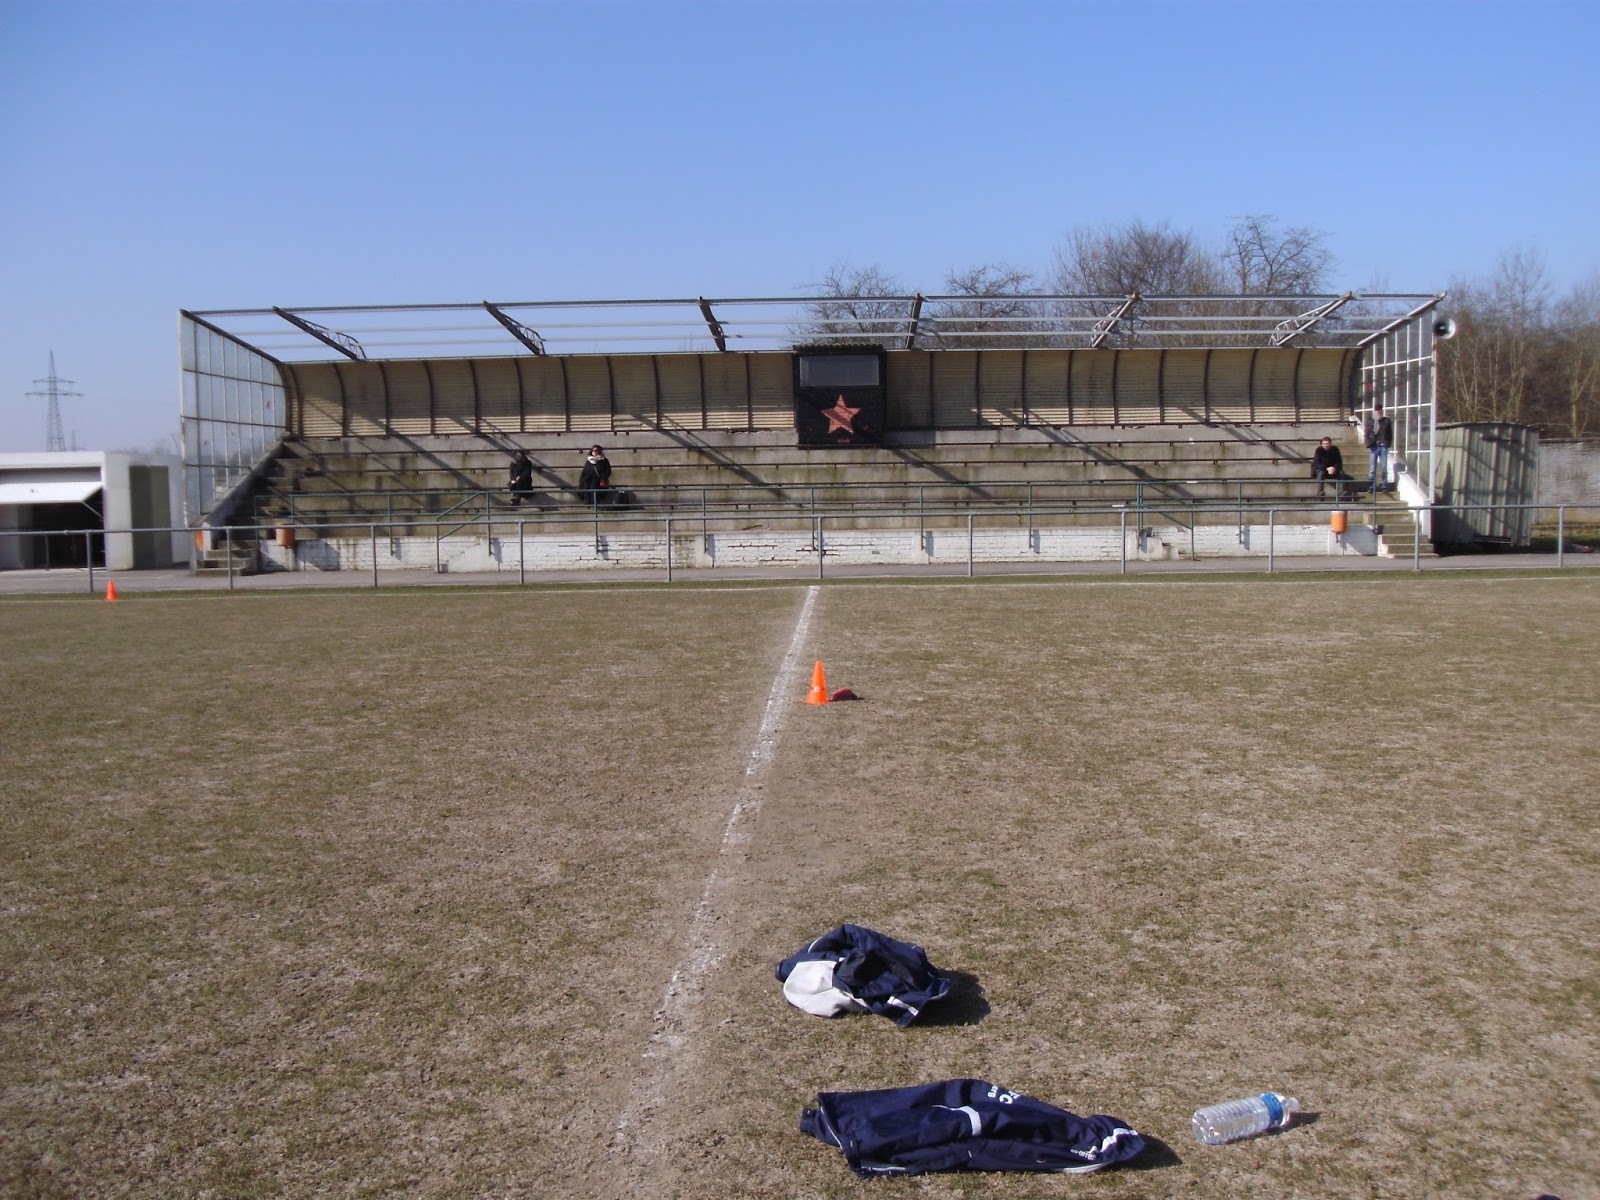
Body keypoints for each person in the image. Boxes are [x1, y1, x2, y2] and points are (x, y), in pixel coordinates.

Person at [1364, 404, 1394, 495]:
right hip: (1373, 446)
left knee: (1384, 468)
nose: (1378, 412)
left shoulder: (1386, 421)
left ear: (1382, 411)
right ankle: (1371, 486)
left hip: (1383, 446)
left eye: (1379, 410)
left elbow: (1390, 434)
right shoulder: (1370, 421)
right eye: (1376, 410)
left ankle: (1384, 486)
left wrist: (1387, 444)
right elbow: (1367, 433)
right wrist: (1368, 443)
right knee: (1372, 469)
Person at [1310, 436, 1346, 500]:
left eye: (1327, 443)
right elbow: (1316, 463)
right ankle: (1320, 493)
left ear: (1330, 444)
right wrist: (1327, 468)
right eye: (1324, 444)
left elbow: (1339, 462)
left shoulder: (1335, 450)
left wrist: (1334, 468)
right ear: (1321, 444)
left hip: (1332, 470)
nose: (1325, 445)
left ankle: (1341, 494)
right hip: (1322, 469)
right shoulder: (1319, 450)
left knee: (1341, 473)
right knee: (1321, 473)